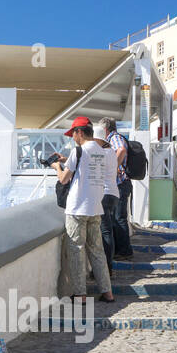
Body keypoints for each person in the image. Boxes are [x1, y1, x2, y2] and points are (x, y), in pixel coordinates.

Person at [48, 116, 115, 303]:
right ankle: (107, 292)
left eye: (73, 134)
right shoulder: (102, 151)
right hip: (95, 206)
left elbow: (64, 179)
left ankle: (80, 294)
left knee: (77, 251)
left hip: (77, 208)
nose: (72, 138)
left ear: (79, 132)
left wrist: (56, 166)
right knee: (97, 251)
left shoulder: (78, 151)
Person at [98, 118, 134, 260]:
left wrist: (113, 167)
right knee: (116, 218)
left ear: (105, 129)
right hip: (120, 184)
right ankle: (121, 249)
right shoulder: (113, 139)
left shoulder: (114, 138)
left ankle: (125, 251)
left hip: (120, 183)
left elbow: (122, 149)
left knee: (119, 218)